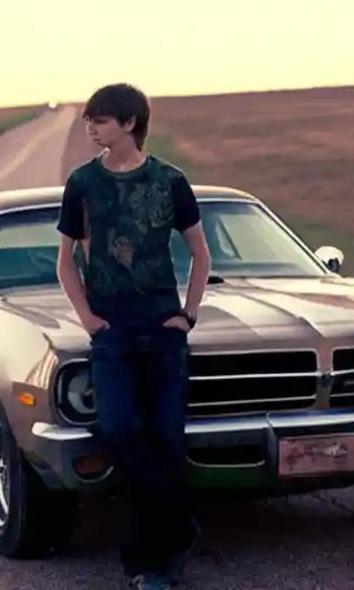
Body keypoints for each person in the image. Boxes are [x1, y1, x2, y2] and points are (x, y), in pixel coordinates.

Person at [55, 83, 212, 590]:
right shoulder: (81, 183)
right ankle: (181, 524)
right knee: (120, 429)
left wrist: (187, 315)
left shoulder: (170, 180)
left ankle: (152, 562)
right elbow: (65, 260)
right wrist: (86, 317)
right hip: (112, 330)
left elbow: (201, 254)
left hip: (163, 327)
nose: (90, 128)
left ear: (128, 124)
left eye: (99, 120)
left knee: (166, 438)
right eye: (88, 121)